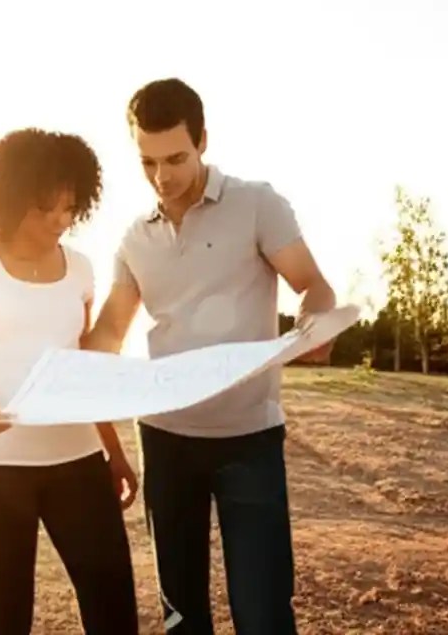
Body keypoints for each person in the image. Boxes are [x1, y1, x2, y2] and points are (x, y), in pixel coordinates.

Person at [85, 78, 337, 634]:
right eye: (147, 162)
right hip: (165, 440)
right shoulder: (133, 238)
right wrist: (51, 370)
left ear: (203, 140)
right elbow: (108, 331)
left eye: (175, 157)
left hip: (249, 438)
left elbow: (314, 286)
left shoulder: (257, 204)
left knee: (264, 613)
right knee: (182, 620)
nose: (162, 176)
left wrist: (313, 326)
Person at [0, 127, 140, 635]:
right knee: (8, 620)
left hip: (77, 464)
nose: (60, 221)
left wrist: (112, 450)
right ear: (9, 201)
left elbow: (82, 368)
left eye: (69, 208)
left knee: (114, 611)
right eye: (45, 208)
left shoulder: (80, 269)